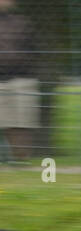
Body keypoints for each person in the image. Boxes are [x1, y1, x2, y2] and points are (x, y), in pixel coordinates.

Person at [0, 0, 37, 162]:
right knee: (7, 121)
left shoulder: (21, 22)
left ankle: (21, 159)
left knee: (22, 122)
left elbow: (34, 49)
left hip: (22, 79)